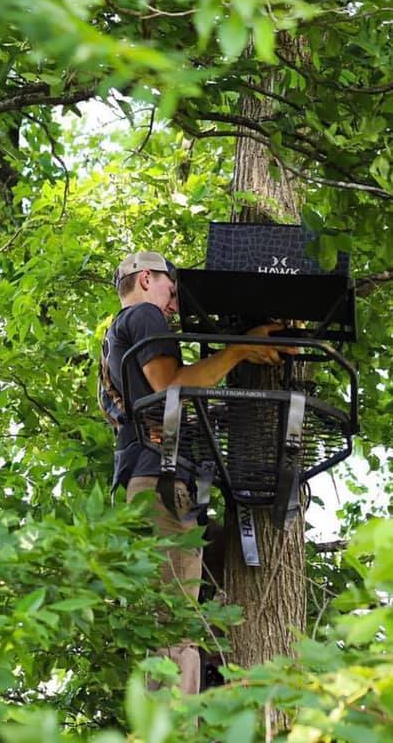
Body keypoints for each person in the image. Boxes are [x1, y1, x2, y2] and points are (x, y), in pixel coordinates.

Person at [99, 250, 291, 694]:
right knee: (172, 629)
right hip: (161, 483)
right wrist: (241, 349)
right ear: (146, 279)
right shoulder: (144, 315)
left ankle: (219, 694)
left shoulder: (118, 335)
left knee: (228, 560)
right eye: (172, 290)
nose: (175, 305)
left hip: (150, 486)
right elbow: (172, 385)